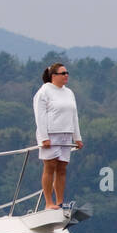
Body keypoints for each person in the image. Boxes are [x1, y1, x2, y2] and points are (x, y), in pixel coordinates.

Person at [33, 62, 83, 210]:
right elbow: (39, 116)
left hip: (66, 134)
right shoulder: (44, 92)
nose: (66, 75)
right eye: (63, 73)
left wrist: (77, 137)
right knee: (50, 167)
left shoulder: (69, 93)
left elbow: (74, 116)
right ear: (54, 76)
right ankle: (49, 202)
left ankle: (60, 202)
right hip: (50, 134)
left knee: (62, 169)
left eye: (67, 73)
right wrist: (44, 138)